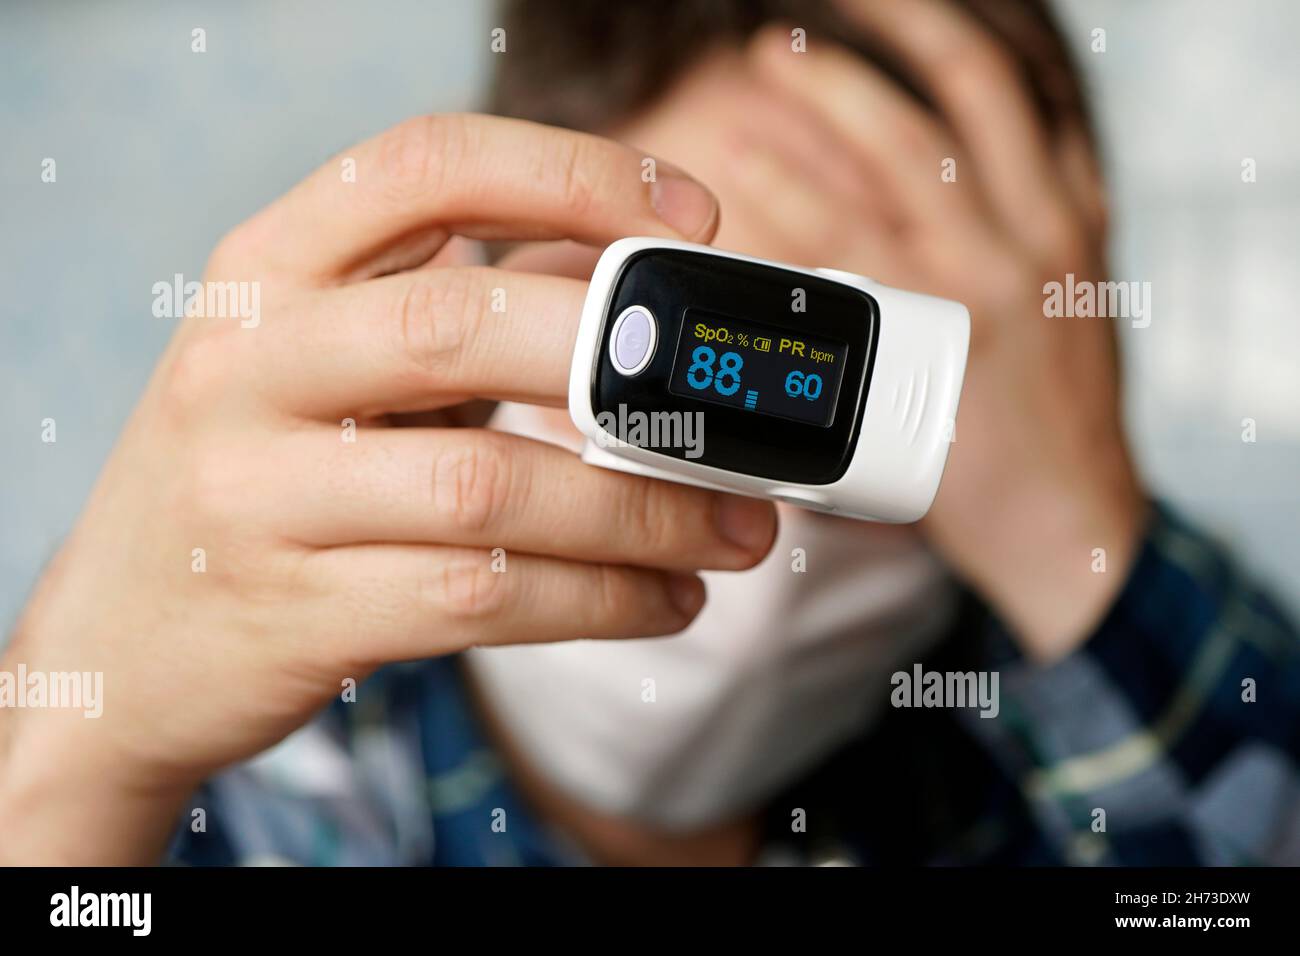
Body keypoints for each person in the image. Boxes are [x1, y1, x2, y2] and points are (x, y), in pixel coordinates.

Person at [1, 0, 1296, 866]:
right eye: (703, 342)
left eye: (843, 383)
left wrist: (1081, 547)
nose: (759, 494)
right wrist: (88, 756)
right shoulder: (245, 704)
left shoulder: (1084, 690)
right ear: (480, 297)